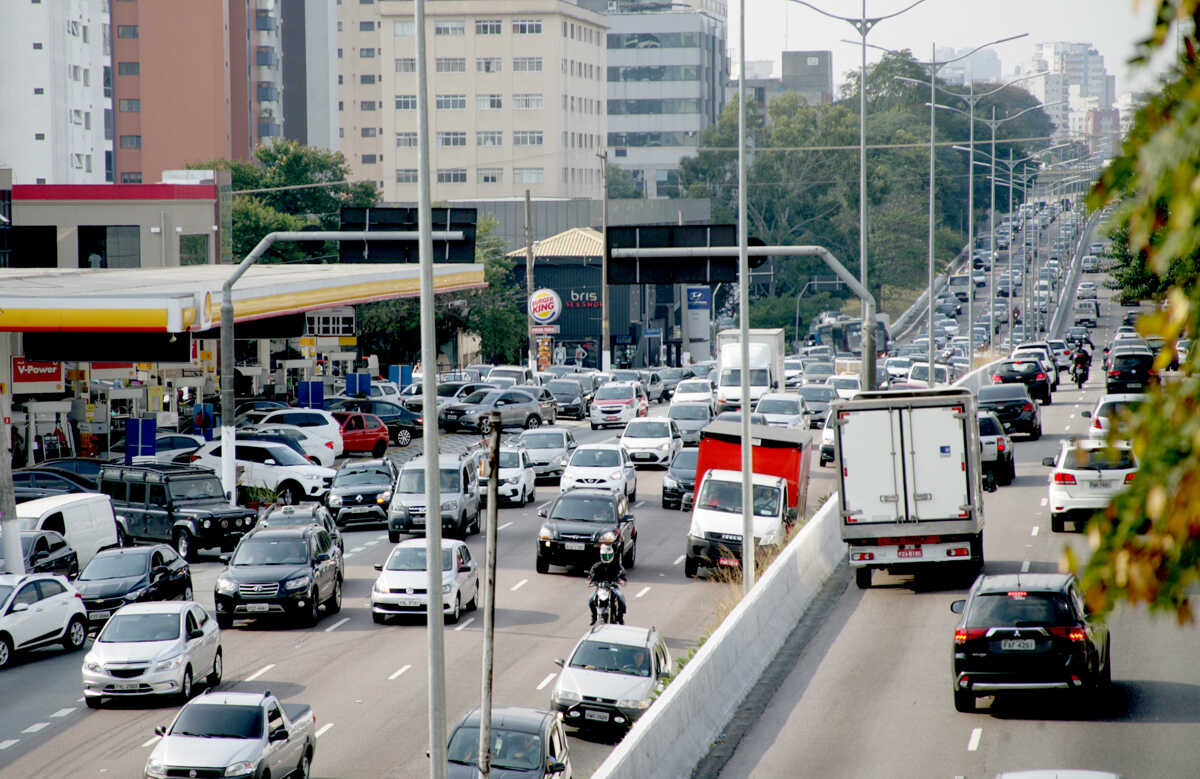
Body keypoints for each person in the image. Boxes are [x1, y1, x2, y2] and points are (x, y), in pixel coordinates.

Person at [587, 544, 627, 625]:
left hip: (613, 588)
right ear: (601, 555)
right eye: (605, 556)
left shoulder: (616, 565)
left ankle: (620, 616)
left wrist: (621, 581)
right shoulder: (596, 566)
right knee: (590, 600)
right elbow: (589, 578)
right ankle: (594, 616)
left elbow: (623, 577)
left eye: (609, 556)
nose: (607, 558)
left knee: (621, 597)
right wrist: (590, 582)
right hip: (600, 588)